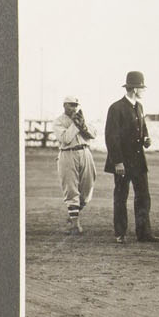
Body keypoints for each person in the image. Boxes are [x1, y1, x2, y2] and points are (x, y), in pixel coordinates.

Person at [103, 70, 159, 243]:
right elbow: (111, 137)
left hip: (138, 161)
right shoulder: (116, 108)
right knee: (121, 197)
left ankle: (144, 233)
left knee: (143, 196)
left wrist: (146, 139)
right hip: (123, 162)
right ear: (135, 89)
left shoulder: (139, 107)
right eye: (142, 88)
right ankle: (120, 233)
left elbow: (141, 128)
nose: (143, 91)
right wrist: (118, 162)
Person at [54, 95, 96, 233]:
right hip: (68, 153)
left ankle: (73, 215)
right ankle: (74, 224)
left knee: (87, 190)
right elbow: (65, 139)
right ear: (64, 105)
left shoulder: (82, 118)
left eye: (76, 105)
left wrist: (83, 125)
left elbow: (93, 134)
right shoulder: (58, 121)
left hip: (85, 152)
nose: (74, 107)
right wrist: (76, 125)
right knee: (71, 189)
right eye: (71, 104)